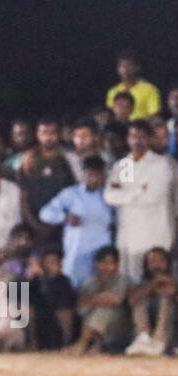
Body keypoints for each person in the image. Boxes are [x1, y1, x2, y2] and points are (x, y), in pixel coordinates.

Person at [105, 121, 178, 281]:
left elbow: (151, 198)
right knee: (130, 281)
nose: (137, 141)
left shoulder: (161, 164)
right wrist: (139, 190)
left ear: (150, 139)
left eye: (142, 137)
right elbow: (111, 197)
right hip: (128, 233)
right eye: (133, 136)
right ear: (127, 139)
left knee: (158, 279)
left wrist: (126, 193)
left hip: (155, 232)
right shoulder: (125, 165)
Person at [38, 155, 113, 287]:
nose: (94, 179)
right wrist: (65, 218)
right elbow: (45, 213)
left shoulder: (109, 196)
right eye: (90, 175)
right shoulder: (71, 194)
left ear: (103, 175)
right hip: (75, 255)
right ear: (83, 174)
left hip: (100, 257)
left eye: (97, 175)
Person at [74, 246, 131, 353]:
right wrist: (99, 299)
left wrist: (92, 300)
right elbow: (80, 308)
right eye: (102, 263)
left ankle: (82, 343)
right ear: (96, 264)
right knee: (93, 312)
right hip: (92, 325)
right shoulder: (89, 283)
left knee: (104, 311)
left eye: (110, 263)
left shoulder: (124, 280)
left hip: (120, 327)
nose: (106, 267)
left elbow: (115, 300)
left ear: (117, 264)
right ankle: (96, 345)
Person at [124, 246, 175, 355]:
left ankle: (159, 341)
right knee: (140, 299)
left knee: (165, 299)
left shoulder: (174, 280)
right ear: (146, 265)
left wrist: (173, 289)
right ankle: (143, 338)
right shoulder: (141, 283)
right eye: (152, 261)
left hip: (170, 330)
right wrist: (152, 285)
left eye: (161, 260)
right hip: (146, 328)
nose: (157, 265)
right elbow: (132, 301)